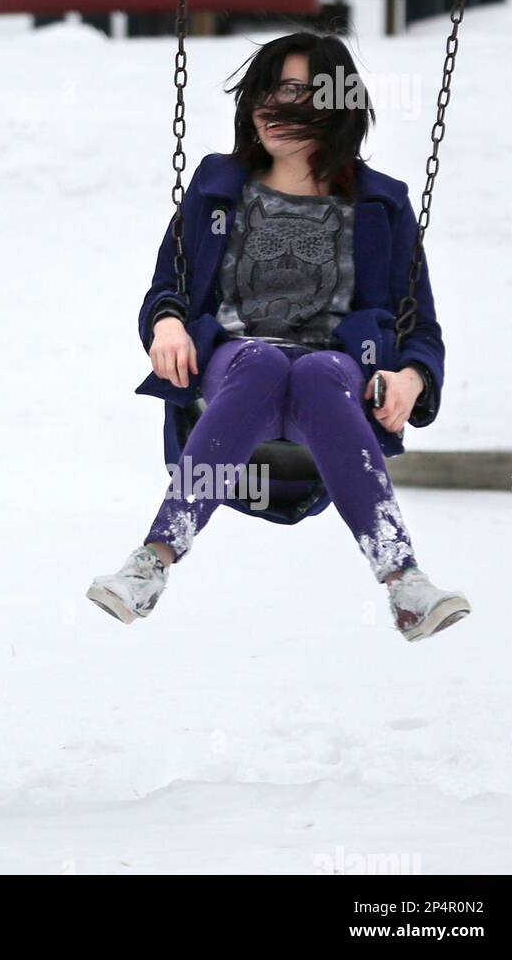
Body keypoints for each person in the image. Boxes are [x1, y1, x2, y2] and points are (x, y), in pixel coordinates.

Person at [87, 32, 470, 642]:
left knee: (317, 372)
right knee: (263, 363)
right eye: (271, 90)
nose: (277, 105)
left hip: (336, 376)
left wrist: (411, 375)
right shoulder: (218, 186)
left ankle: (404, 581)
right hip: (237, 368)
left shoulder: (383, 205)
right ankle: (152, 561)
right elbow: (170, 289)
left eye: (299, 92)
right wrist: (165, 324)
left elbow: (417, 327)